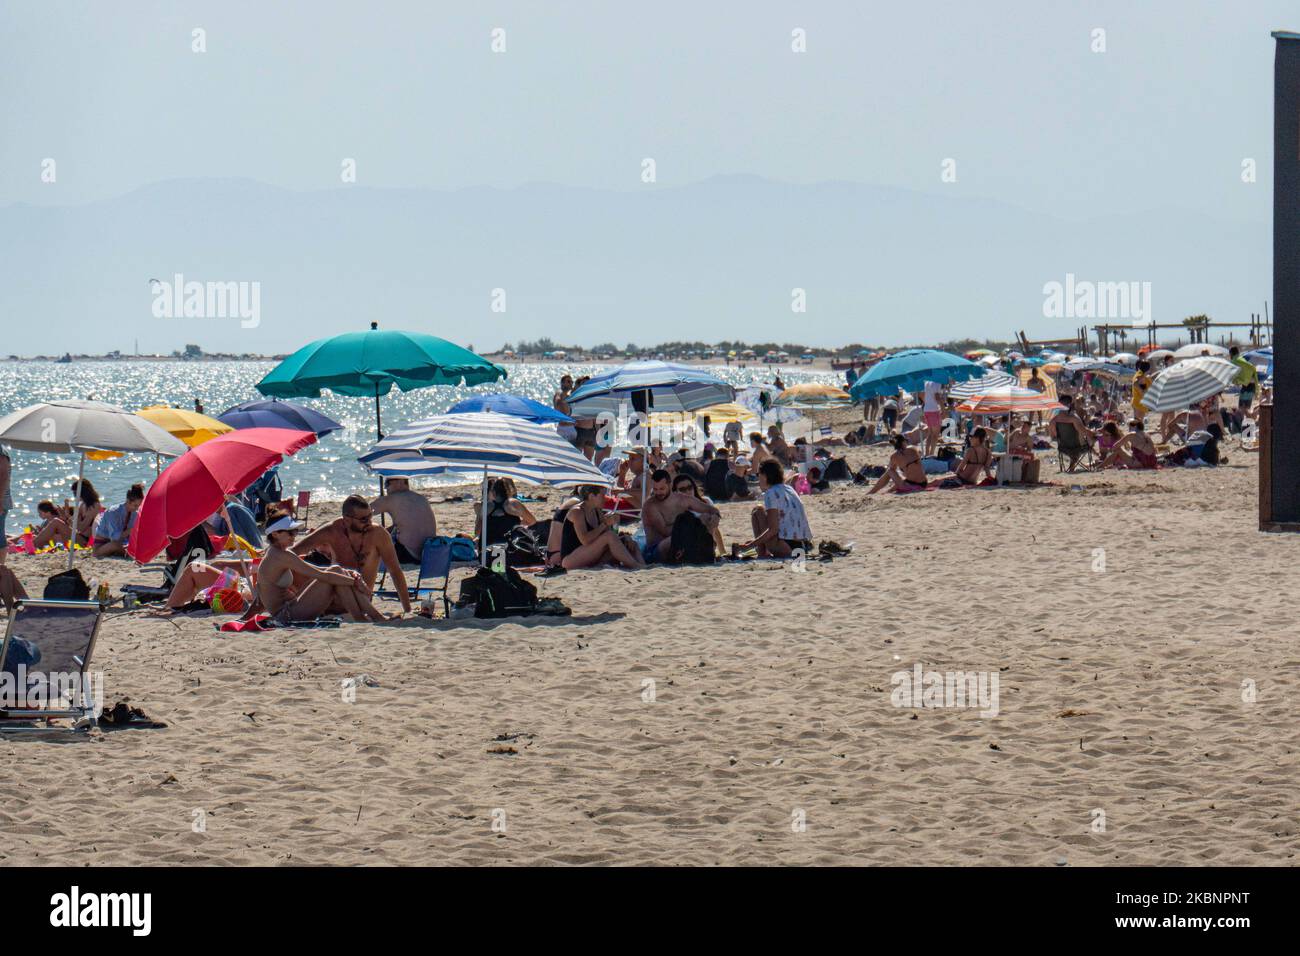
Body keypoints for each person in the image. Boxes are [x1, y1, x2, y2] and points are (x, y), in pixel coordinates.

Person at [292, 495, 411, 613]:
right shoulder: (332, 530)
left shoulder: (378, 534)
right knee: (291, 567)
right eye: (364, 519)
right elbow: (290, 554)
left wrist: (407, 609)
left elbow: (395, 571)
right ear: (347, 520)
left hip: (360, 599)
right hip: (331, 597)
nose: (369, 522)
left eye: (371, 516)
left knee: (336, 573)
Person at [258, 516, 389, 622]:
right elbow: (322, 575)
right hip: (286, 615)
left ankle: (363, 617)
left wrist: (350, 574)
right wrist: (356, 582)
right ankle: (368, 616)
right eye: (291, 533)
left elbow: (318, 570)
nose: (294, 536)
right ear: (275, 534)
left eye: (296, 532)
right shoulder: (280, 556)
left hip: (292, 607)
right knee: (336, 573)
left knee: (336, 570)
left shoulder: (279, 552)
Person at [641, 469, 722, 563]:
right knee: (674, 539)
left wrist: (715, 516)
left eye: (662, 489)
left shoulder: (682, 499)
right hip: (656, 550)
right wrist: (694, 523)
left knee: (707, 518)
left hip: (681, 542)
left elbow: (711, 510)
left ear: (670, 485)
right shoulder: (650, 506)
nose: (658, 493)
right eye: (655, 489)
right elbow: (665, 531)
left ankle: (707, 553)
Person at [736, 459, 811, 559]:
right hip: (803, 545)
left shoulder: (771, 493)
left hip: (787, 547)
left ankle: (762, 552)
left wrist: (750, 546)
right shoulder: (788, 488)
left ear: (765, 476)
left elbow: (773, 529)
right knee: (760, 511)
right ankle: (761, 551)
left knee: (757, 511)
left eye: (759, 475)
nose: (758, 479)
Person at [558, 485, 644, 570]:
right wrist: (605, 524)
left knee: (628, 542)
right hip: (571, 558)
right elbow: (585, 540)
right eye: (603, 496)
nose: (605, 498)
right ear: (592, 496)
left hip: (589, 553)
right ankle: (635, 566)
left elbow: (611, 536)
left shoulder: (597, 510)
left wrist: (623, 537)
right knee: (609, 536)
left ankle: (643, 566)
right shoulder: (577, 512)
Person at [370, 476, 437, 564]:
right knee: (392, 529)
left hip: (408, 554)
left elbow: (363, 512)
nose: (385, 487)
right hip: (429, 552)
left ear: (400, 481)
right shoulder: (421, 498)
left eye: (387, 483)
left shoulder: (391, 499)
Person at [92, 482, 145, 557]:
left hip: (120, 544)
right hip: (102, 545)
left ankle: (128, 552)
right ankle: (128, 554)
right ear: (128, 501)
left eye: (139, 506)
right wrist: (130, 530)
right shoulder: (113, 512)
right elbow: (114, 538)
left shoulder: (134, 514)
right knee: (115, 545)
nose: (137, 508)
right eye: (135, 505)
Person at [481, 477, 537, 547]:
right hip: (509, 546)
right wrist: (517, 523)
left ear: (493, 492)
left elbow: (479, 529)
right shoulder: (513, 503)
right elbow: (532, 521)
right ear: (508, 490)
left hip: (488, 546)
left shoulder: (486, 506)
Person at [1229, 346, 1259, 431]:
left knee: (1243, 409)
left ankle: (1248, 428)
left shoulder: (1235, 361)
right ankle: (1248, 429)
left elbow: (1232, 374)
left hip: (1247, 387)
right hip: (1250, 387)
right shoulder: (1242, 360)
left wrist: (1238, 380)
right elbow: (1252, 370)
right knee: (1244, 409)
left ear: (1231, 353)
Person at [65, 477, 101, 546]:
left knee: (56, 522)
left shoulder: (93, 506)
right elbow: (72, 521)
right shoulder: (83, 504)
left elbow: (81, 528)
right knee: (56, 534)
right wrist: (67, 516)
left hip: (86, 539)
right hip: (80, 535)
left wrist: (73, 520)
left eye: (75, 494)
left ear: (83, 493)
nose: (75, 496)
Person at [554, 375, 577, 445]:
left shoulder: (570, 397)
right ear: (562, 383)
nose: (571, 384)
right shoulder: (558, 395)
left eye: (572, 382)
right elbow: (559, 406)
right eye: (568, 381)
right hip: (562, 428)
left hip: (571, 428)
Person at [922, 380, 944, 455]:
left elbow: (923, 395)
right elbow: (937, 397)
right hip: (933, 410)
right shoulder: (937, 382)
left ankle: (927, 453)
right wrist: (943, 408)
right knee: (935, 434)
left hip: (926, 409)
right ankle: (931, 454)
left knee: (930, 433)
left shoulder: (927, 382)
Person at [0, 444, 11, 565]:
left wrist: (0, 501)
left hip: (1, 500)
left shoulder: (1, 452)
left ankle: (1, 567)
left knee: (0, 538)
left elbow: (3, 476)